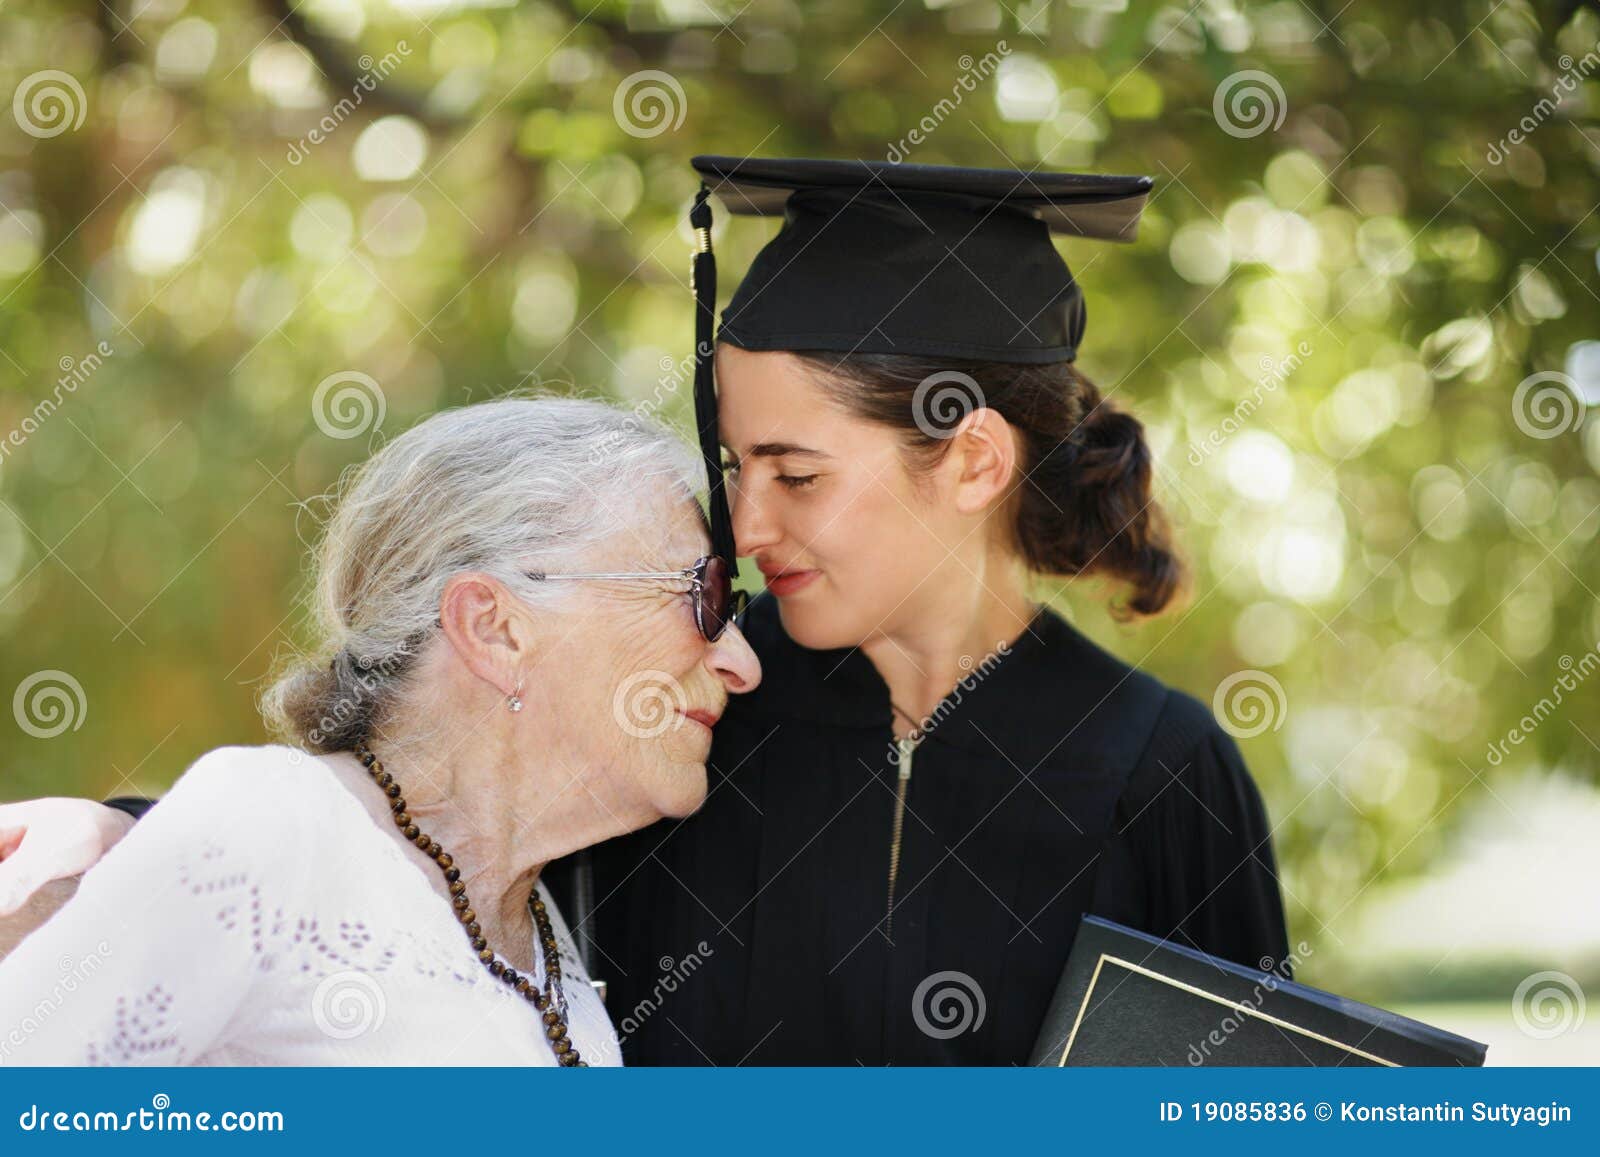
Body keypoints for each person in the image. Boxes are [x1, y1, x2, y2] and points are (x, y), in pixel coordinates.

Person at [2, 156, 1290, 1067]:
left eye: (794, 472)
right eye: (733, 465)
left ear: (969, 461)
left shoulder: (1161, 779)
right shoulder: (683, 706)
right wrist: (130, 834)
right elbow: (413, 835)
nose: (748, 525)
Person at [0, 396, 760, 1065]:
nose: (741, 659)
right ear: (493, 628)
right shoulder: (269, 830)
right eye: (702, 594)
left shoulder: (538, 932)